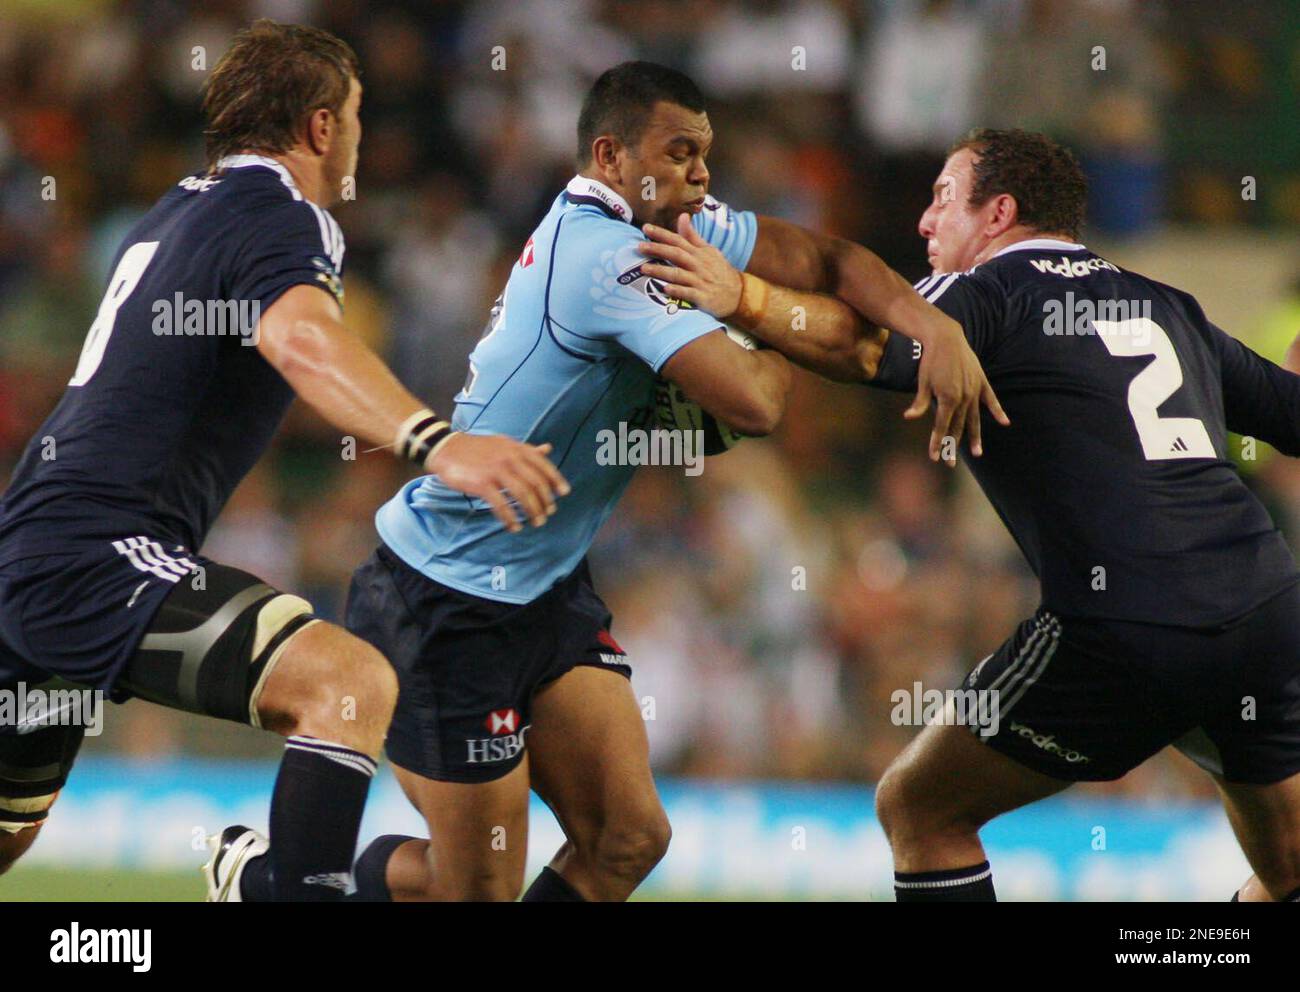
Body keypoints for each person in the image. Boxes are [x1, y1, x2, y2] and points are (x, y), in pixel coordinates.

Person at [338, 61, 1001, 902]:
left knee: (627, 839)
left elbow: (827, 259)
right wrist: (752, 307)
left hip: (542, 587)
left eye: (705, 153)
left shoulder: (675, 225)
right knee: (471, 889)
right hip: (443, 596)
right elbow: (758, 404)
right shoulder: (605, 260)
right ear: (611, 156)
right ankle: (274, 877)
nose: (700, 172)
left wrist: (929, 324)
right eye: (680, 151)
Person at [640, 126, 1300, 903]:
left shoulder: (990, 291)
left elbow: (862, 346)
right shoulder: (1167, 306)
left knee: (920, 810)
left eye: (943, 199)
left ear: (999, 214)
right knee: (1288, 871)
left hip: (1129, 619)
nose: (924, 221)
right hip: (1266, 607)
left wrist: (741, 296)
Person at [0, 20, 566, 902]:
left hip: (36, 543)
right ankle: (271, 890)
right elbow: (299, 338)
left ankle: (265, 884)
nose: (363, 137)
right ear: (320, 127)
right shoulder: (280, 212)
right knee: (347, 685)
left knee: (5, 838)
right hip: (95, 549)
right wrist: (438, 443)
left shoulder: (178, 208)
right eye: (358, 114)